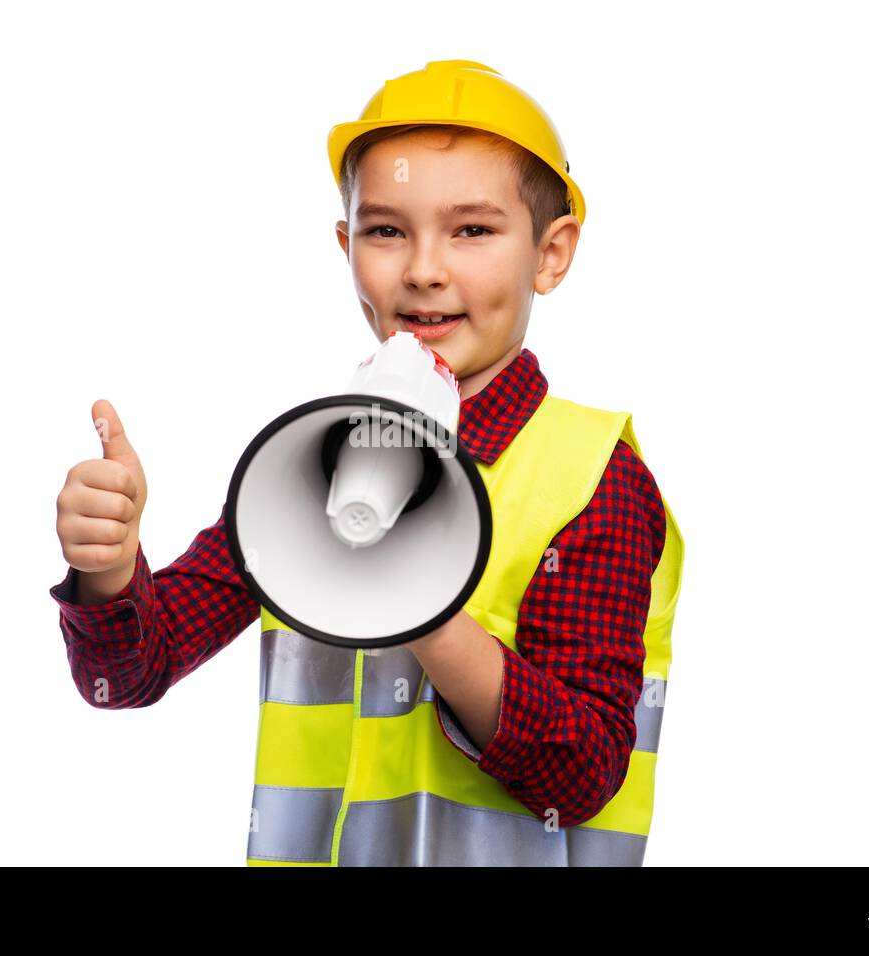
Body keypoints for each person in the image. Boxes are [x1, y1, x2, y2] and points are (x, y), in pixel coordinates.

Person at [51, 60, 684, 866]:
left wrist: (419, 606)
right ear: (347, 246)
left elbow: (583, 771)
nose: (424, 269)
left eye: (473, 230)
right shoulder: (309, 467)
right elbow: (134, 671)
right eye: (387, 230)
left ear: (551, 254)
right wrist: (107, 569)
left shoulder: (593, 479)